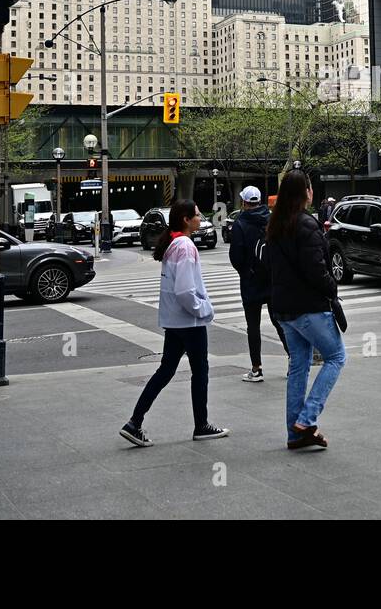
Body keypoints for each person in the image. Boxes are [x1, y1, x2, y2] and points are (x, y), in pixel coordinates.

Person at [120, 200, 229, 446]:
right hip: (190, 322)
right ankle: (201, 425)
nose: (201, 219)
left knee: (166, 371)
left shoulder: (173, 243)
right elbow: (185, 291)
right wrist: (204, 310)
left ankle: (134, 421)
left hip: (174, 321)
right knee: (200, 372)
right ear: (186, 219)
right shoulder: (185, 246)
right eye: (198, 215)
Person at [267, 169, 345, 451]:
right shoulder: (306, 224)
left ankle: (295, 433)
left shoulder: (275, 225)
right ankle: (307, 418)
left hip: (284, 309)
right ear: (305, 192)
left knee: (298, 366)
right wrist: (332, 288)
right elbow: (317, 270)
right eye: (310, 188)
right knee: (336, 356)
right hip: (309, 307)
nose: (313, 192)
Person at [228, 186, 288, 383]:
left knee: (253, 326)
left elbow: (236, 256)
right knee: (278, 321)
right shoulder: (272, 219)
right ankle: (293, 359)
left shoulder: (240, 224)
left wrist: (246, 272)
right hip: (273, 279)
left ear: (244, 202)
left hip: (251, 281)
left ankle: (257, 368)